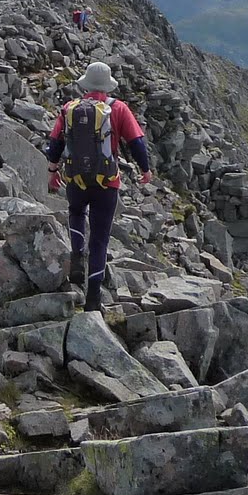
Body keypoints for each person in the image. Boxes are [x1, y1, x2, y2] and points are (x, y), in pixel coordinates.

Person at [43, 60, 152, 312]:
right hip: (107, 182)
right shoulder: (119, 109)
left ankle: (76, 254)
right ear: (107, 87)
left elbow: (55, 142)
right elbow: (136, 143)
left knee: (76, 213)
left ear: (86, 85)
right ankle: (93, 299)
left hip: (75, 178)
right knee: (101, 239)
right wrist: (145, 170)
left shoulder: (70, 108)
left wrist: (52, 171)